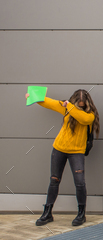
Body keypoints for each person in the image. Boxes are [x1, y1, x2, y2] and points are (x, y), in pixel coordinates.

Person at [27, 89, 99, 227]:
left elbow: (83, 119)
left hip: (76, 152)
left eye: (83, 105)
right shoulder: (67, 108)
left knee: (80, 183)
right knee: (54, 180)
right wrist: (33, 96)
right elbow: (49, 103)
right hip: (59, 149)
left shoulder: (89, 115)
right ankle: (47, 213)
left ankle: (81, 214)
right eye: (78, 104)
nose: (81, 107)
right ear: (74, 101)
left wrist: (70, 106)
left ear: (87, 105)